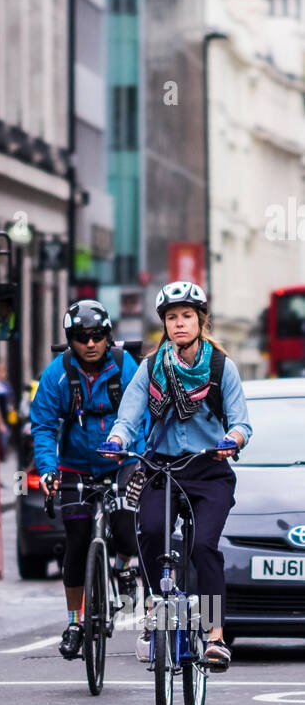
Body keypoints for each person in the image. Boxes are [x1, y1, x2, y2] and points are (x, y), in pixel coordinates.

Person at [99, 281, 252, 672]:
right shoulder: (152, 368)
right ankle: (156, 611)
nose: (179, 324)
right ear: (164, 324)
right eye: (171, 318)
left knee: (204, 549)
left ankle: (215, 636)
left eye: (186, 316)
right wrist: (117, 439)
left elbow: (241, 424)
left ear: (201, 321)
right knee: (149, 533)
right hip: (162, 467)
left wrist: (231, 440)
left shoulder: (222, 368)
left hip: (208, 468)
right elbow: (129, 417)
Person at [30, 299, 142, 660]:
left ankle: (125, 567)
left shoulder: (127, 367)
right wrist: (48, 469)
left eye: (97, 336)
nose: (90, 344)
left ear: (108, 337)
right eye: (81, 337)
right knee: (77, 542)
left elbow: (144, 416)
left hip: (122, 461)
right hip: (76, 466)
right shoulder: (55, 375)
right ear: (71, 339)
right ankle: (75, 622)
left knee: (127, 529)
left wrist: (140, 458)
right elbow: (45, 427)